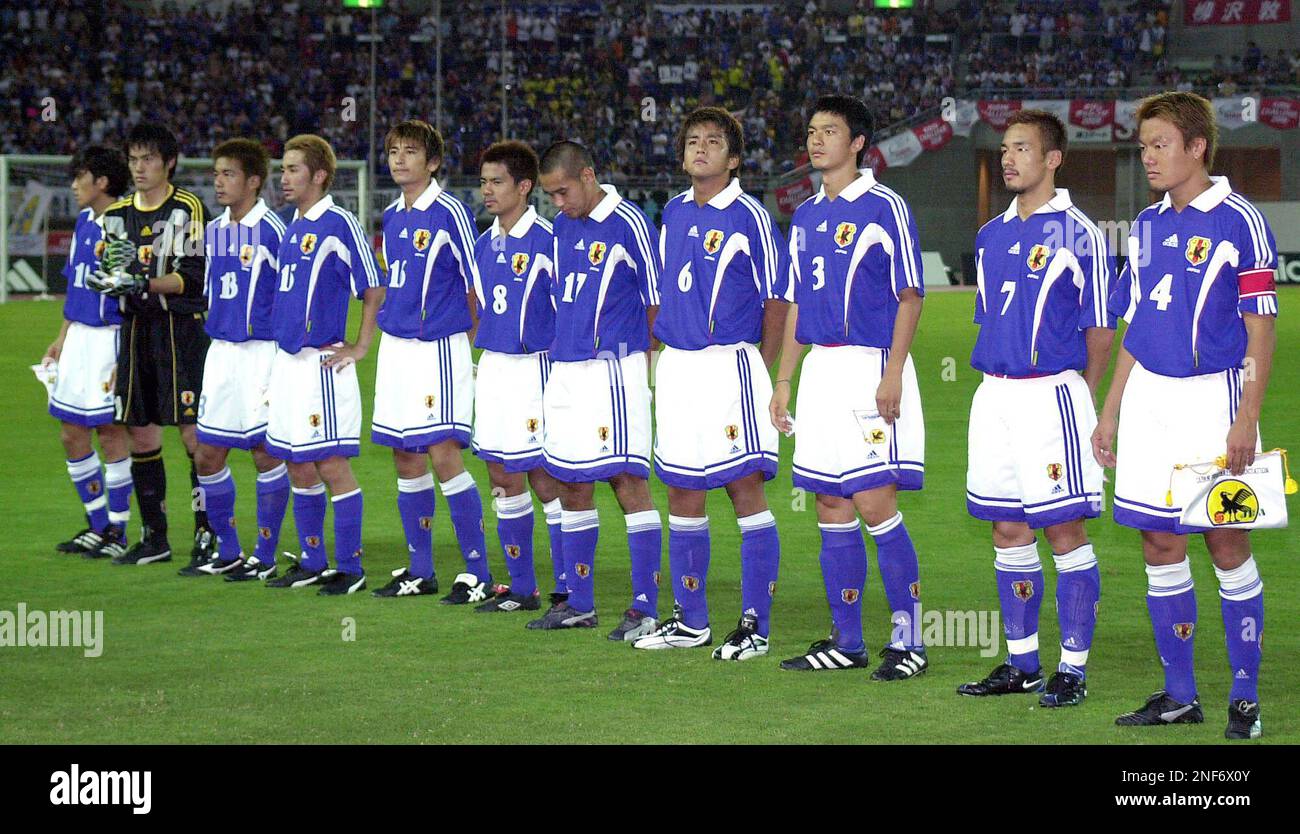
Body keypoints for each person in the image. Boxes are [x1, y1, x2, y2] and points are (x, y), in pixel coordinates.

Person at [1094, 92, 1277, 739]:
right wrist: (1110, 412)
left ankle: (1246, 697)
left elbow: (1261, 330)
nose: (1148, 157)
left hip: (1213, 399)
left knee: (1226, 544)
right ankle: (1179, 694)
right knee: (1158, 541)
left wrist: (1247, 415)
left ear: (1197, 146)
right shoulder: (1143, 226)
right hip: (1148, 399)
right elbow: (1133, 327)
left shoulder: (1240, 221)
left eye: (1160, 144)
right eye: (1143, 146)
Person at [769, 95, 929, 680]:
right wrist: (784, 380)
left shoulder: (885, 205)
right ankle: (847, 640)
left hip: (870, 365)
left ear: (858, 143)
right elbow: (794, 307)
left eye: (829, 132)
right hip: (820, 373)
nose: (816, 141)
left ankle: (909, 641)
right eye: (811, 131)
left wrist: (891, 373)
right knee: (830, 504)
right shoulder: (807, 214)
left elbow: (911, 294)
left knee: (872, 502)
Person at [957, 110, 1113, 707]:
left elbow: (1100, 327)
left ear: (1053, 159)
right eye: (1004, 148)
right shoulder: (990, 234)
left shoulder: (1081, 233)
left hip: (1053, 395)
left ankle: (1072, 668)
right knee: (1007, 528)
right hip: (992, 395)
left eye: (1022, 148)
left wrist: (1084, 400)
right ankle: (1022, 663)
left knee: (1063, 529)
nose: (1008, 158)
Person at [630, 107, 787, 661]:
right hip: (677, 366)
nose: (700, 149)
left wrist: (763, 369)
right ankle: (690, 619)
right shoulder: (670, 212)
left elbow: (776, 299)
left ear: (734, 157)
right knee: (681, 488)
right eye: (692, 141)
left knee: (743, 486)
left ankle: (755, 624)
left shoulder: (750, 215)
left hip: (729, 366)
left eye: (713, 142)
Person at [527, 141, 663, 641]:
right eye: (549, 195)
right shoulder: (562, 225)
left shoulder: (629, 222)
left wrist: (638, 361)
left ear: (587, 175)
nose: (557, 203)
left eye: (562, 191)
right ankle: (579, 604)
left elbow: (656, 300)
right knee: (570, 483)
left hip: (613, 372)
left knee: (626, 482)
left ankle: (645, 607)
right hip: (565, 369)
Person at [368, 120, 491, 603]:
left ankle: (476, 572)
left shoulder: (450, 212)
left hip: (437, 346)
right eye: (394, 151)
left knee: (443, 453)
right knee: (405, 454)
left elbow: (475, 279)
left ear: (433, 162)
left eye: (411, 152)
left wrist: (473, 344)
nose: (399, 159)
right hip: (396, 348)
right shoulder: (394, 215)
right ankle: (420, 569)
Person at [262, 134, 384, 595]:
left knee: (331, 464)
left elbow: (373, 286)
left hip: (322, 364)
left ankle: (350, 568)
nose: (284, 177)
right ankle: (313, 559)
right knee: (296, 461)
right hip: (289, 363)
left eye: (293, 169)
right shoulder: (291, 225)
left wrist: (359, 346)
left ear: (319, 175)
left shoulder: (340, 223)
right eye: (283, 169)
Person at [90, 125, 212, 567]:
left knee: (192, 432)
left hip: (180, 330)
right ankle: (155, 536)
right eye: (134, 160)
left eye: (148, 160)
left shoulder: (186, 208)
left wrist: (140, 281)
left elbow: (190, 276)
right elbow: (114, 267)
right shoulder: (118, 214)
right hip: (137, 330)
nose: (139, 168)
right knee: (140, 430)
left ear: (169, 163)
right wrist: (108, 278)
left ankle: (206, 532)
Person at [184, 139, 291, 582]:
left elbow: (291, 292)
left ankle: (265, 555)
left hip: (263, 353)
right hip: (222, 353)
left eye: (228, 174)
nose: (219, 182)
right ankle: (228, 549)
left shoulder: (274, 230)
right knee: (207, 455)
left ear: (253, 181)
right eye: (216, 174)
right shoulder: (213, 231)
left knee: (265, 454)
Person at [469, 140, 568, 613]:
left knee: (543, 475)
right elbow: (479, 304)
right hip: (494, 367)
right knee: (500, 474)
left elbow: (568, 308)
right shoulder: (484, 242)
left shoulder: (549, 239)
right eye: (484, 181)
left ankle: (568, 587)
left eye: (497, 182)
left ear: (525, 187)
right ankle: (522, 588)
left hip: (536, 367)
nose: (487, 190)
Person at [46, 146, 135, 559]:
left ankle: (117, 531)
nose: (74, 185)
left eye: (79, 177)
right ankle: (96, 525)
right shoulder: (84, 221)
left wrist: (125, 357)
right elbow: (75, 283)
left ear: (101, 181)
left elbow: (129, 294)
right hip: (79, 336)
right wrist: (62, 337)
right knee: (71, 431)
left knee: (111, 431)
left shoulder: (124, 226)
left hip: (109, 338)